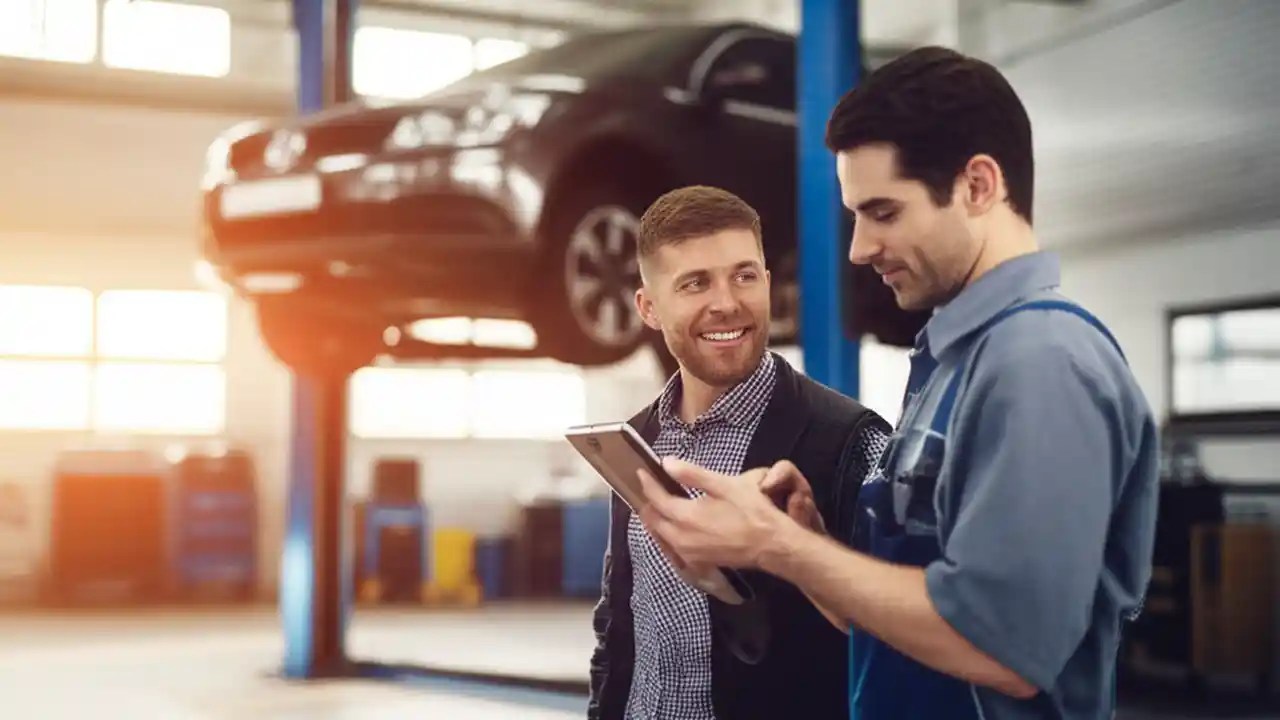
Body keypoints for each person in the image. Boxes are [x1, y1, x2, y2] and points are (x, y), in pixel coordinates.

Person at [635, 47, 1160, 720]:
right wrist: (807, 542)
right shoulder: (953, 363)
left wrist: (775, 544)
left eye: (883, 212)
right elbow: (892, 621)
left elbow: (1007, 648)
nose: (858, 247)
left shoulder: (1040, 363)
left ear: (978, 186)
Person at [587, 185, 892, 720]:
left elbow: (895, 636)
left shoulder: (851, 443)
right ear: (649, 308)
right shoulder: (637, 443)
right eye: (695, 283)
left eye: (744, 276)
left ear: (768, 285)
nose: (726, 302)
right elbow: (619, 626)